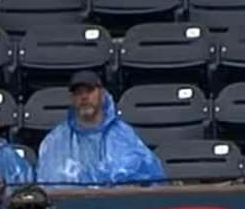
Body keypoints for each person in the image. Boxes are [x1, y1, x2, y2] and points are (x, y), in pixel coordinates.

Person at [36, 70, 165, 188]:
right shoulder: (55, 141)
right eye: (78, 92)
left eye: (89, 91)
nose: (84, 97)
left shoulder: (123, 135)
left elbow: (150, 177)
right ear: (72, 99)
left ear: (102, 93)